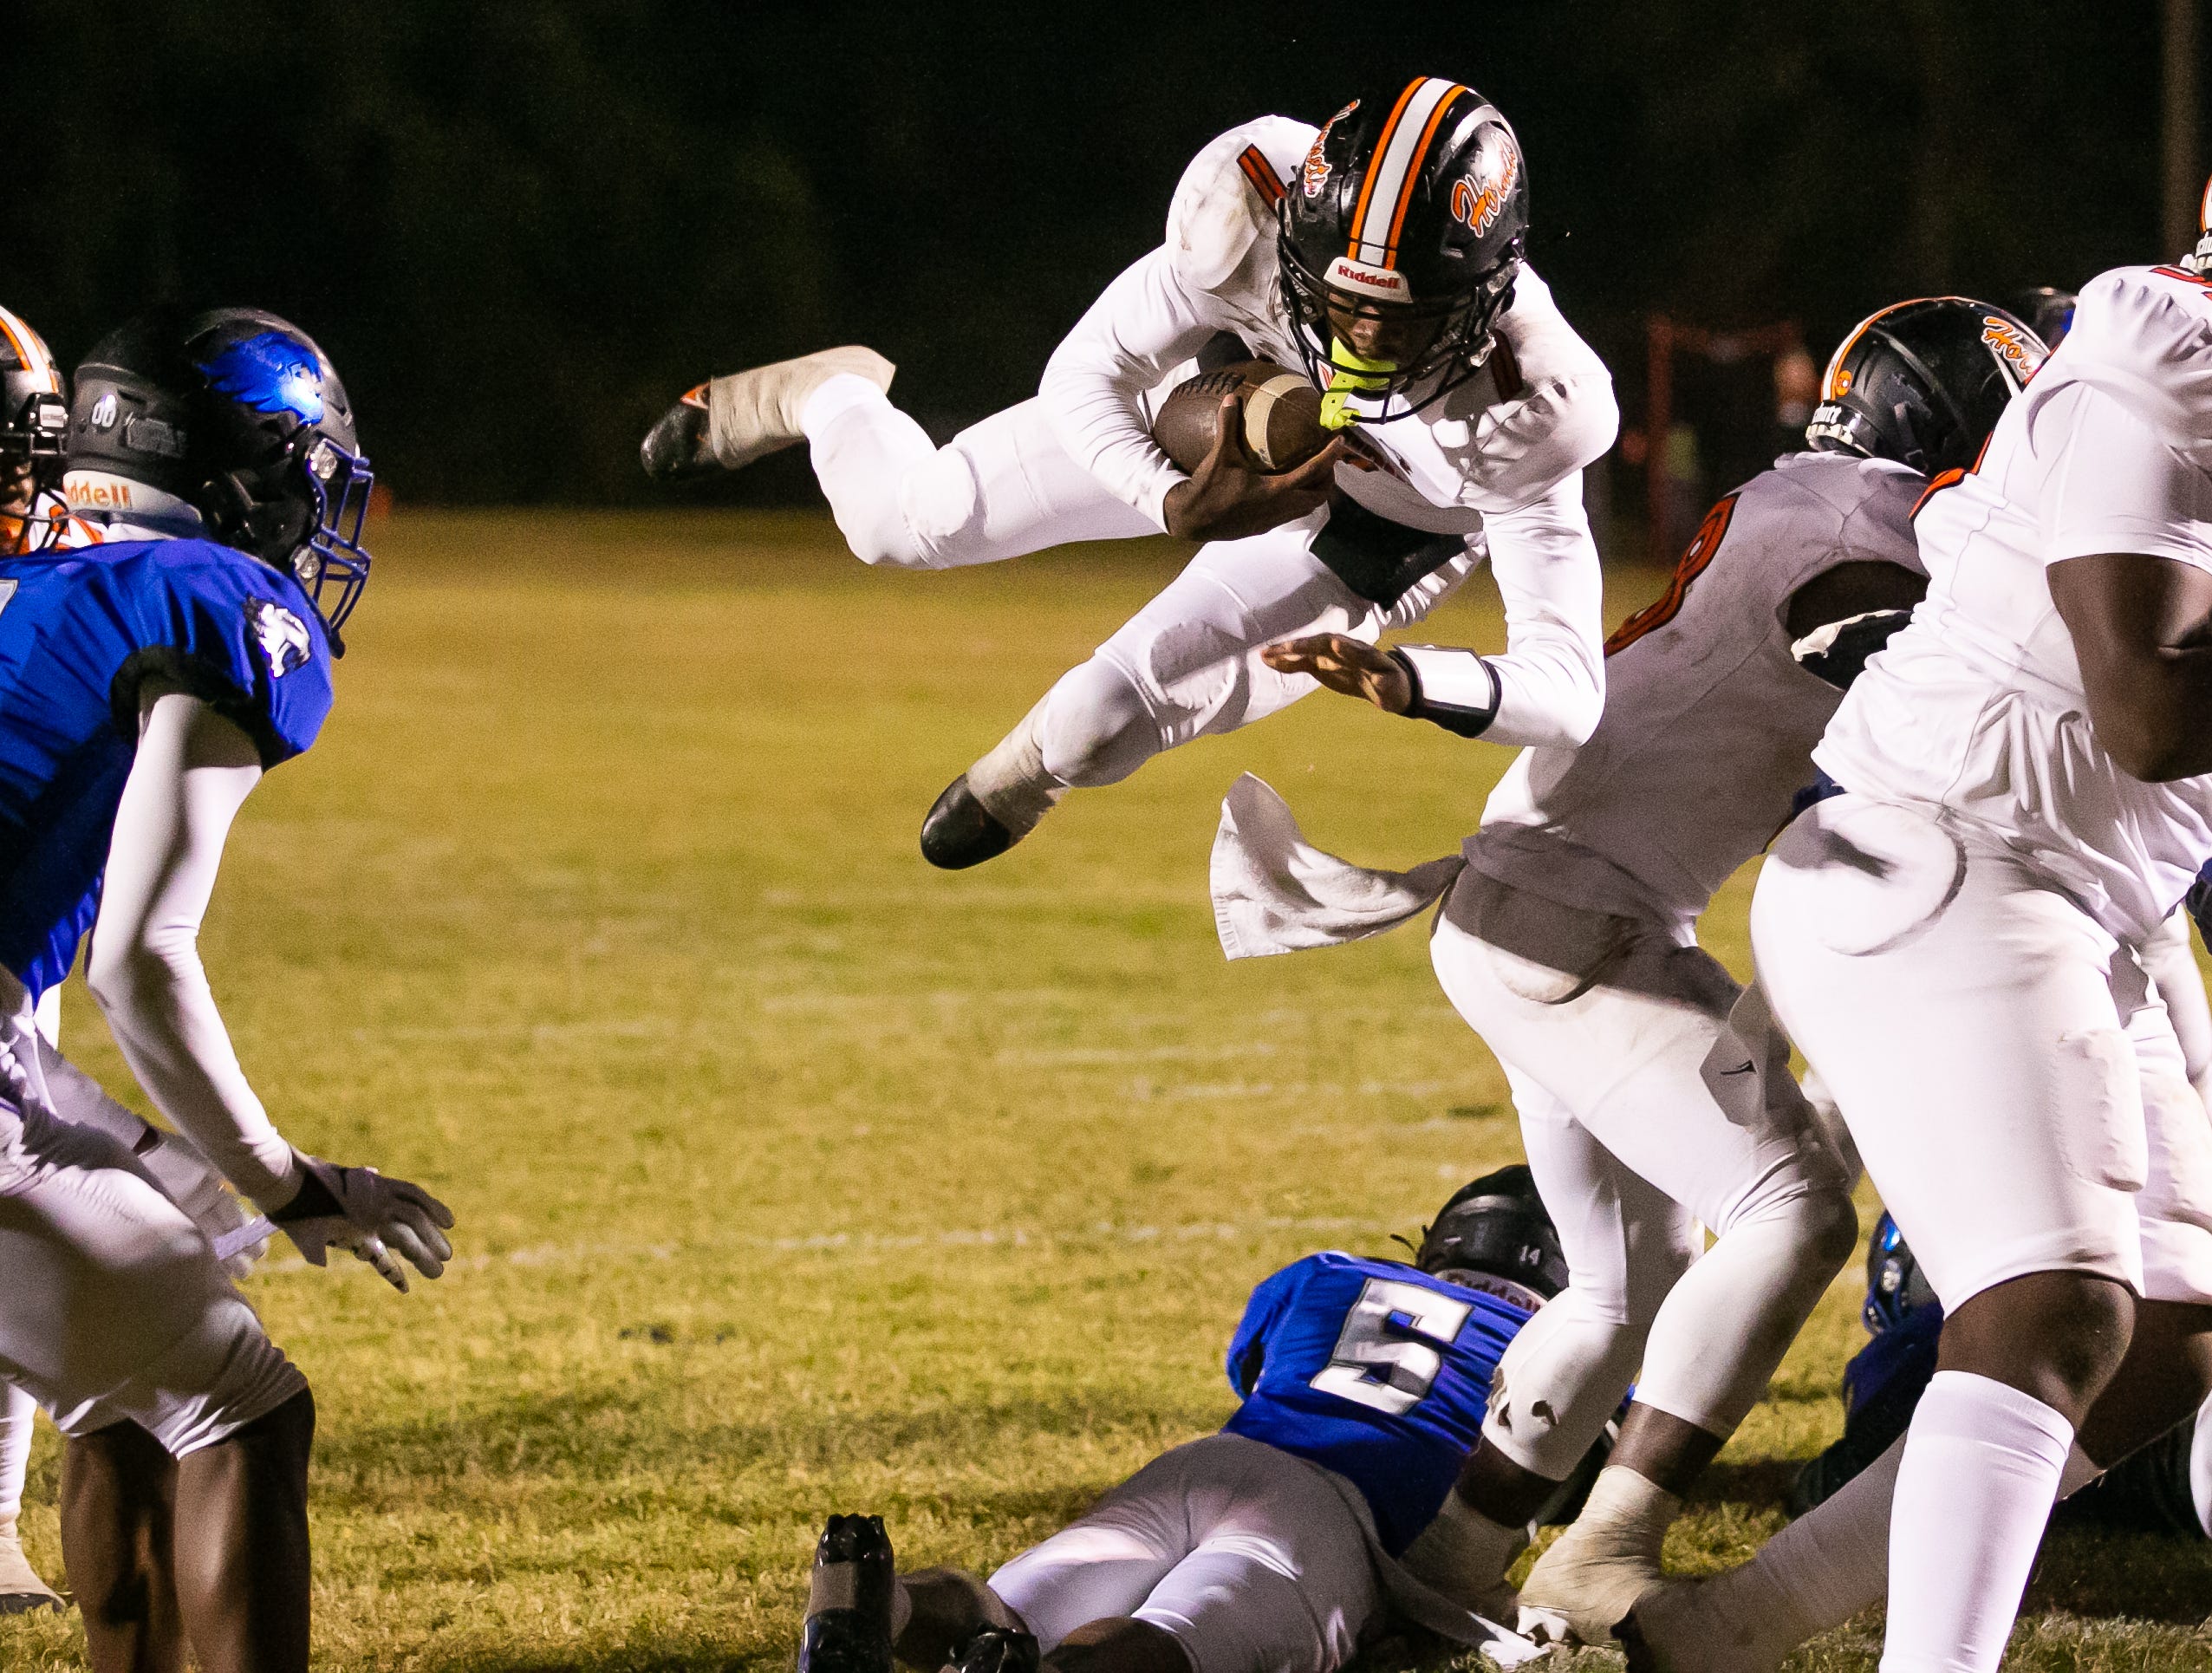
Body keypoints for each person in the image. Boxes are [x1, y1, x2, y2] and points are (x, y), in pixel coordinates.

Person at [1213, 297, 2047, 1645]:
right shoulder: (1871, 532)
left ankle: (1449, 1561)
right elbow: (1923, 672)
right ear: (1947, 427)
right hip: (1569, 919)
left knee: (1628, 1280)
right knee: (1795, 1211)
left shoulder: (1804, 495)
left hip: (1542, 901)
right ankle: (1608, 1544)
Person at [1638, 251, 2212, 1673]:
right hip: (1947, 860)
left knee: (2169, 1339)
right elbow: (2143, 706)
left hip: (2088, 898)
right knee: (2055, 1302)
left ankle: (1729, 1625)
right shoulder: (2161, 349)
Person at [643, 78, 1617, 869]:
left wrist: (1408, 677)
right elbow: (1086, 370)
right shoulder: (1247, 203)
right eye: (1339, 300)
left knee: (1091, 723)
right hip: (1232, 424)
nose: (1360, 337)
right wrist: (1167, 495)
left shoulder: (1536, 405)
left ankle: (1023, 769)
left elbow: (1569, 687)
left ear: (1483, 293)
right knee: (899, 521)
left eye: (1399, 317)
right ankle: (824, 397)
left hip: (1375, 531)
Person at [0, 305, 455, 1673]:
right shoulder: (212, 597)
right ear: (249, 462)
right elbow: (142, 955)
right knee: (244, 1407)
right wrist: (280, 1178)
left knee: (126, 1391)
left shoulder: (30, 579)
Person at [789, 1169, 1616, 1673]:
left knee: (1012, 1607)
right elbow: (1551, 1487)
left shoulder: (1331, 1269)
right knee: (1178, 1642)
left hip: (1216, 1462)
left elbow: (1253, 1367)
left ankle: (882, 1604)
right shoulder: (1552, 1343)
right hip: (1333, 1522)